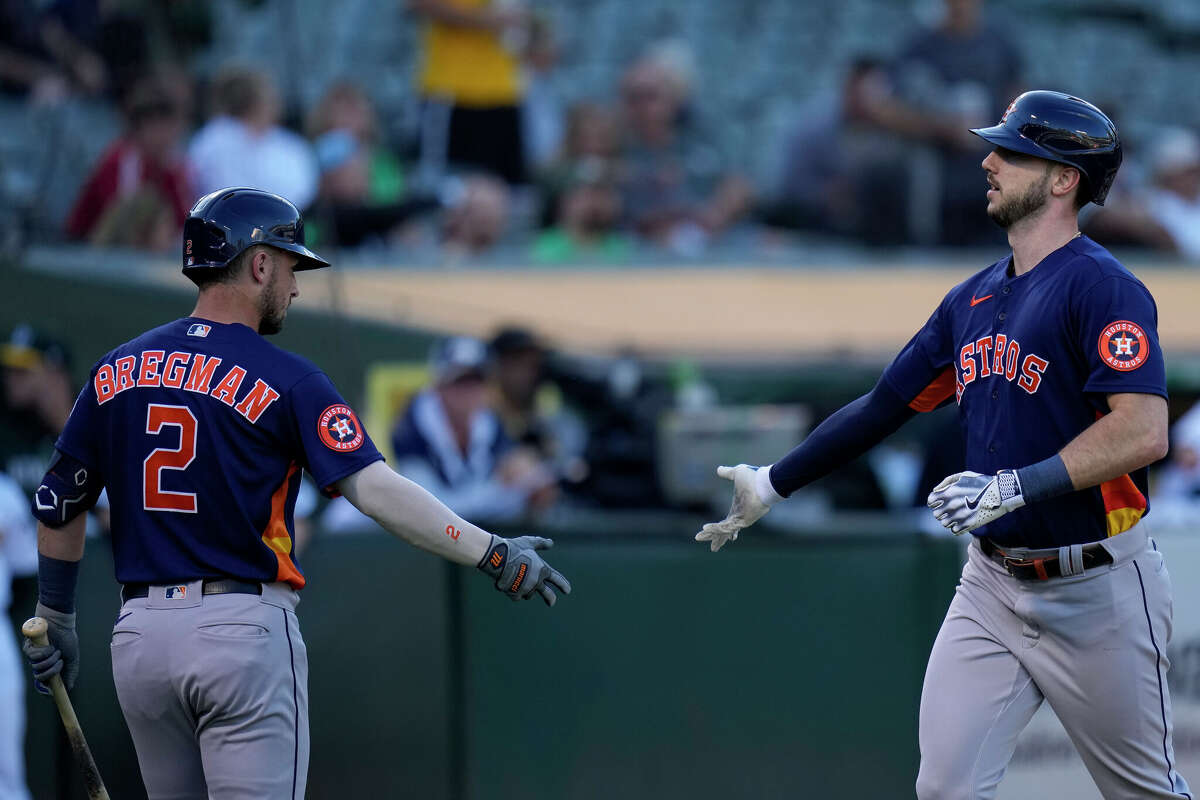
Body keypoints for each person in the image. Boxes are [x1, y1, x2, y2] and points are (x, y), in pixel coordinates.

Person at [697, 91, 1190, 799]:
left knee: (1143, 792)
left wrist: (1018, 484)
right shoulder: (972, 298)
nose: (988, 161)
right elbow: (883, 405)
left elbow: (1142, 431)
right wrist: (775, 481)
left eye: (1012, 152)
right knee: (945, 790)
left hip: (1098, 586)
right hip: (991, 584)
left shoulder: (1105, 288)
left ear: (1062, 179)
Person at [19, 186, 570, 799]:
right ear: (258, 263)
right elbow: (376, 490)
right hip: (240, 629)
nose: (296, 285)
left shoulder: (117, 367)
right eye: (289, 266)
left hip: (141, 639)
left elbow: (60, 500)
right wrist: (489, 551)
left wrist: (57, 615)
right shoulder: (288, 375)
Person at [409, 0, 530, 187]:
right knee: (444, 189)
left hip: (504, 92)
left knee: (507, 190)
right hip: (452, 92)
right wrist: (485, 20)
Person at [64, 75, 191, 250]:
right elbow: (122, 230)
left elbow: (183, 226)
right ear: (138, 128)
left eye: (169, 126)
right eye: (156, 127)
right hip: (84, 252)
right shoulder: (120, 161)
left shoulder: (173, 167)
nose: (164, 136)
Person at [188, 66, 318, 210]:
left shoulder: (285, 141)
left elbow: (304, 189)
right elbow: (223, 191)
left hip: (286, 220)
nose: (276, 104)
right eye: (269, 97)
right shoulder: (216, 140)